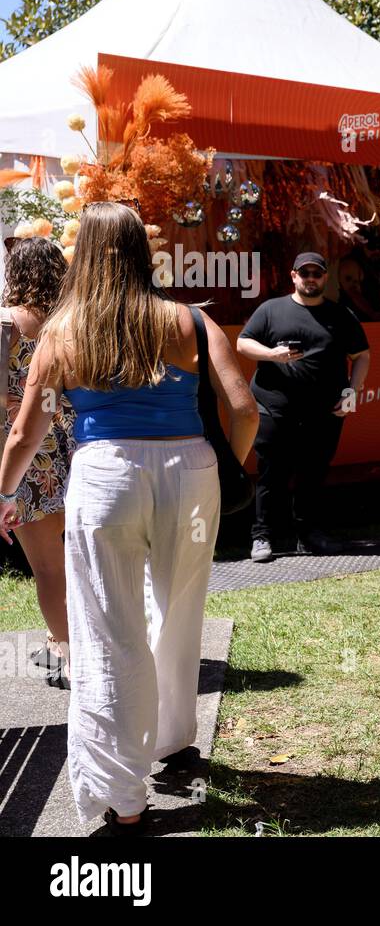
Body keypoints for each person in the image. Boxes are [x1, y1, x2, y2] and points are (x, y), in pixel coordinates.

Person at [0, 202, 259, 832]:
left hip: (106, 476)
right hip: (190, 477)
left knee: (106, 631)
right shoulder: (193, 322)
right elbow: (245, 408)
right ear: (144, 252)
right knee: (178, 608)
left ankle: (123, 798)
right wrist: (224, 469)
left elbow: (25, 435)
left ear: (82, 253)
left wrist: (5, 494)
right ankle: (173, 742)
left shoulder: (62, 331)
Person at [237, 252, 370, 562]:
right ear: (293, 276)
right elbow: (243, 343)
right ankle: (262, 537)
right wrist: (272, 355)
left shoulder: (340, 315)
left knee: (313, 474)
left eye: (317, 273)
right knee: (272, 474)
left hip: (324, 411)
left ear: (325, 278)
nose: (311, 278)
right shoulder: (271, 310)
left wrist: (352, 390)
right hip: (274, 408)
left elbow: (362, 355)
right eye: (305, 273)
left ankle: (308, 536)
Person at [1, 237, 75, 689]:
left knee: (48, 569)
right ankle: (63, 642)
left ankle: (69, 657)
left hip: (25, 455)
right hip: (71, 449)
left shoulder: (5, 323)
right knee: (75, 562)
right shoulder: (70, 322)